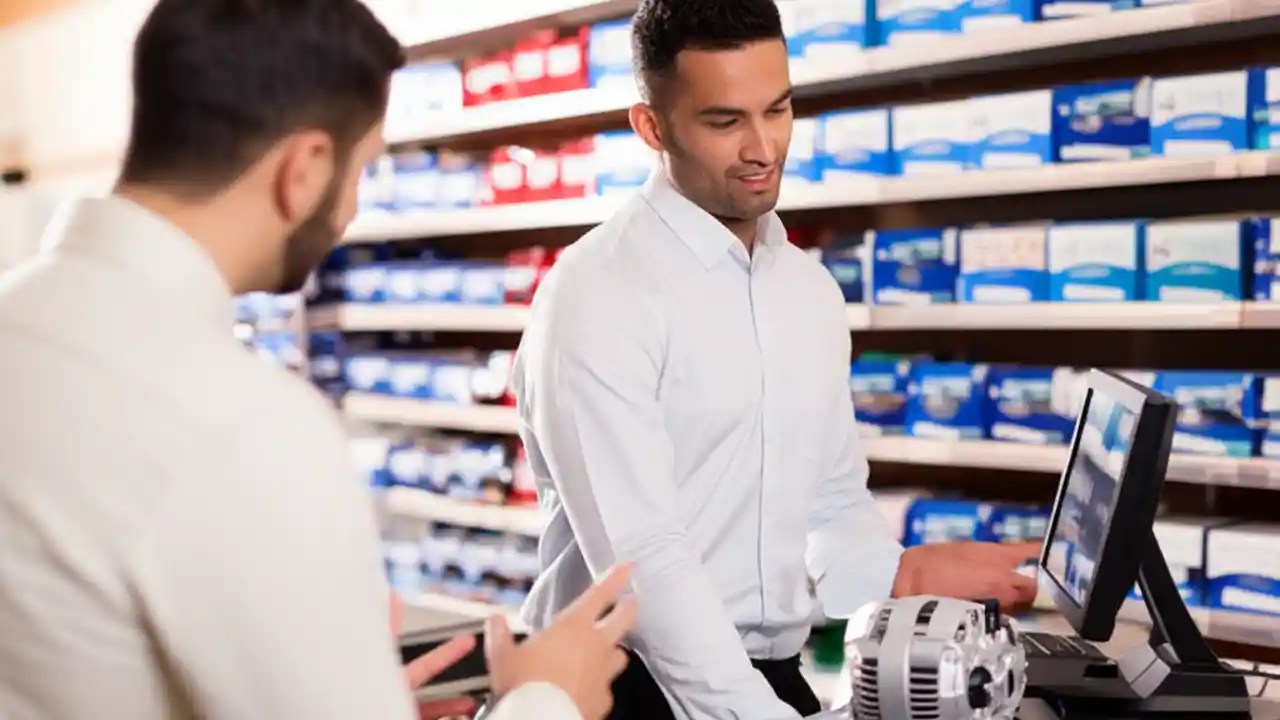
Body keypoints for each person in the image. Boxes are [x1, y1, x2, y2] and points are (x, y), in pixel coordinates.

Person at [0, 1, 633, 719]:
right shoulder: (246, 426)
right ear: (303, 170)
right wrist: (546, 698)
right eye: (361, 169)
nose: (354, 206)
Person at [511, 1, 1040, 718]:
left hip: (768, 678)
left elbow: (828, 501)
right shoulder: (598, 294)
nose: (763, 148)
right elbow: (645, 565)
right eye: (725, 122)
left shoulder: (807, 289)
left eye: (779, 109)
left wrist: (901, 571)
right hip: (624, 690)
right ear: (652, 127)